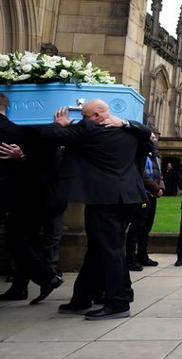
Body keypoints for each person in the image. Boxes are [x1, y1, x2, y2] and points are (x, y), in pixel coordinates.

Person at [40, 99, 150, 320]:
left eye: (85, 115)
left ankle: (118, 303)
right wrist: (128, 123)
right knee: (100, 248)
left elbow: (48, 135)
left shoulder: (88, 129)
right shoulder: (131, 131)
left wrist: (60, 124)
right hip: (127, 199)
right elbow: (148, 137)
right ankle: (82, 298)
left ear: (98, 116)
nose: (82, 119)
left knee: (108, 250)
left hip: (104, 199)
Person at [0, 94, 64, 304]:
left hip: (23, 195)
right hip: (27, 195)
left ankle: (46, 277)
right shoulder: (23, 129)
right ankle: (22, 286)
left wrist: (24, 156)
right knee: (21, 239)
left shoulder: (20, 129)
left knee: (18, 240)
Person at [126, 132, 164, 270]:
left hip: (152, 196)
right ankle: (130, 258)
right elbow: (142, 174)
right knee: (136, 228)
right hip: (142, 195)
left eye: (155, 138)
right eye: (151, 138)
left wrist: (161, 188)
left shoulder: (155, 156)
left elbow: (160, 175)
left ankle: (143, 256)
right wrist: (156, 189)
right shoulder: (140, 155)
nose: (154, 140)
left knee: (147, 227)